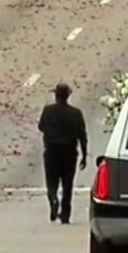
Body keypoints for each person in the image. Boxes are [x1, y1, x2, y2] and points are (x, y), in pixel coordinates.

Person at [37, 83, 87, 224]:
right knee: (67, 184)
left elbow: (41, 127)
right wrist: (84, 154)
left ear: (56, 95)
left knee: (51, 180)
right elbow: (82, 135)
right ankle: (65, 213)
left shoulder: (48, 111)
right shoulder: (75, 113)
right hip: (69, 152)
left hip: (52, 150)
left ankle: (53, 198)